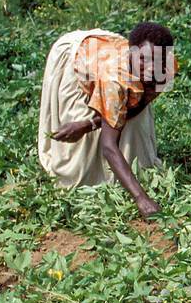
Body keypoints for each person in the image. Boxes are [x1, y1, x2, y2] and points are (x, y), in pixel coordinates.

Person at [37, 23, 176, 218]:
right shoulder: (114, 79)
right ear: (132, 52)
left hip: (105, 52)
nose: (150, 68)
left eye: (157, 61)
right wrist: (141, 198)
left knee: (129, 124)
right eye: (144, 59)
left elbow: (138, 103)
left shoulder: (165, 68)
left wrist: (90, 124)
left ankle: (127, 175)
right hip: (80, 62)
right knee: (74, 171)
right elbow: (109, 146)